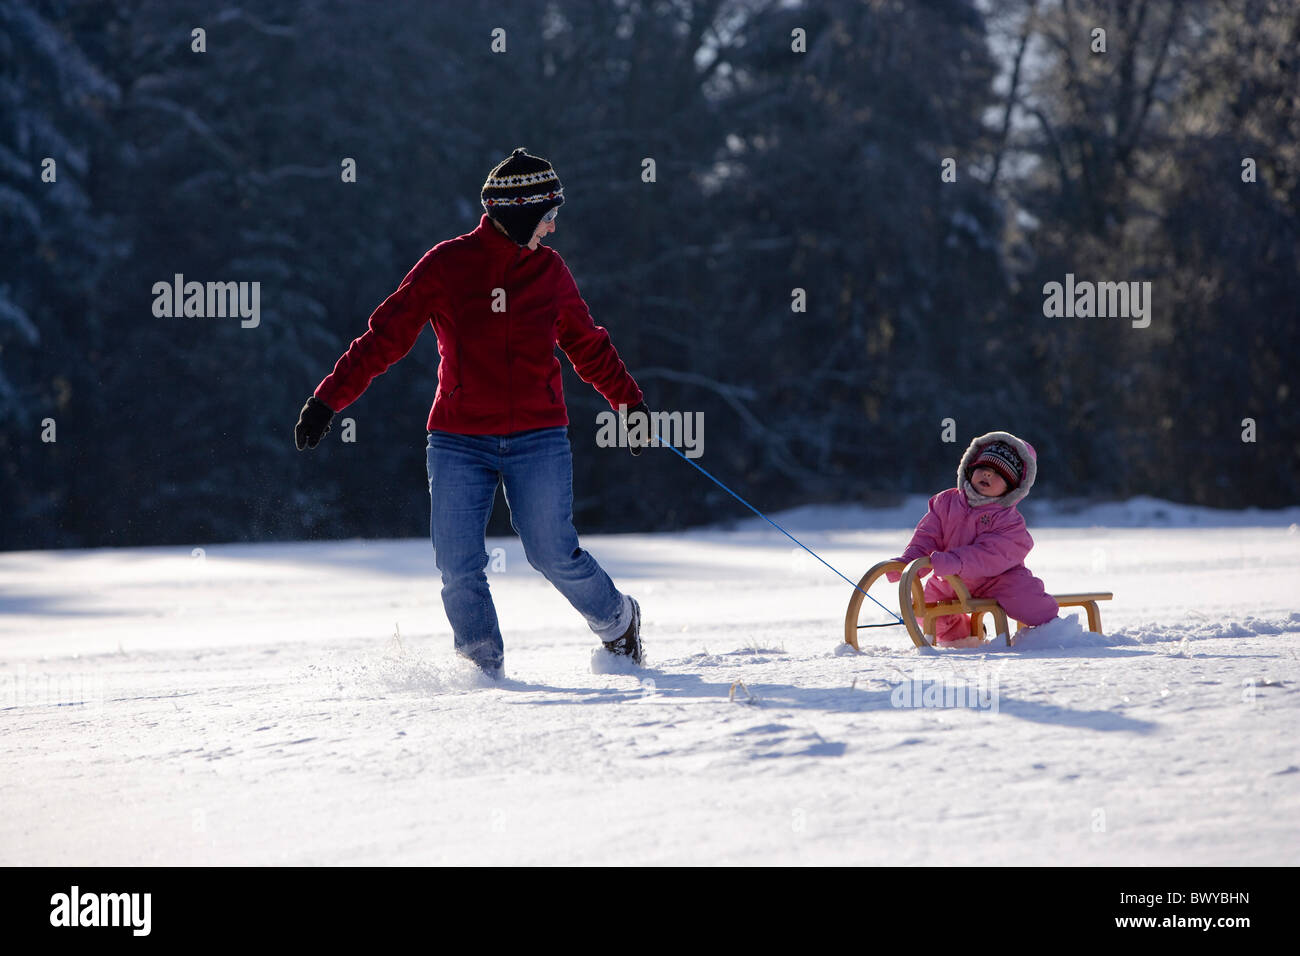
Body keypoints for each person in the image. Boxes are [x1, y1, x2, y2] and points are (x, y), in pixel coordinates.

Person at [294, 148, 649, 678]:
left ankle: (618, 622)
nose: (552, 228)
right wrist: (328, 399)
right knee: (459, 567)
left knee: (551, 551)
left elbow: (587, 345)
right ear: (521, 213)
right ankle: (484, 675)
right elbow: (384, 337)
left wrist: (629, 403)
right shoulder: (447, 266)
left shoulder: (549, 273)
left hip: (539, 436)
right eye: (548, 215)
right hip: (459, 440)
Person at [887, 431, 1059, 647]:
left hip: (1000, 579)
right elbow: (926, 537)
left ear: (1013, 487)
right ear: (969, 468)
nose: (988, 475)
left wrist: (957, 561)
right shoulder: (945, 503)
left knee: (1026, 600)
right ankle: (963, 637)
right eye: (984, 468)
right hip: (950, 581)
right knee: (924, 609)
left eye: (998, 474)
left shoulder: (1009, 521)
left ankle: (1052, 631)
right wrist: (908, 563)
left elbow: (991, 554)